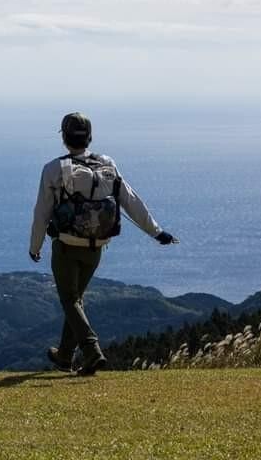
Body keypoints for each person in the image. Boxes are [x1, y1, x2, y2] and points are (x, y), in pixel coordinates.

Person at [29, 112, 177, 376]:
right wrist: (157, 232)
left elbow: (42, 211)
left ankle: (92, 350)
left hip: (66, 245)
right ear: (90, 137)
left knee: (69, 299)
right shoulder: (107, 164)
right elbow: (131, 201)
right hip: (96, 248)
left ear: (64, 138)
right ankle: (64, 356)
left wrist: (35, 246)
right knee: (75, 300)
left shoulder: (54, 169)